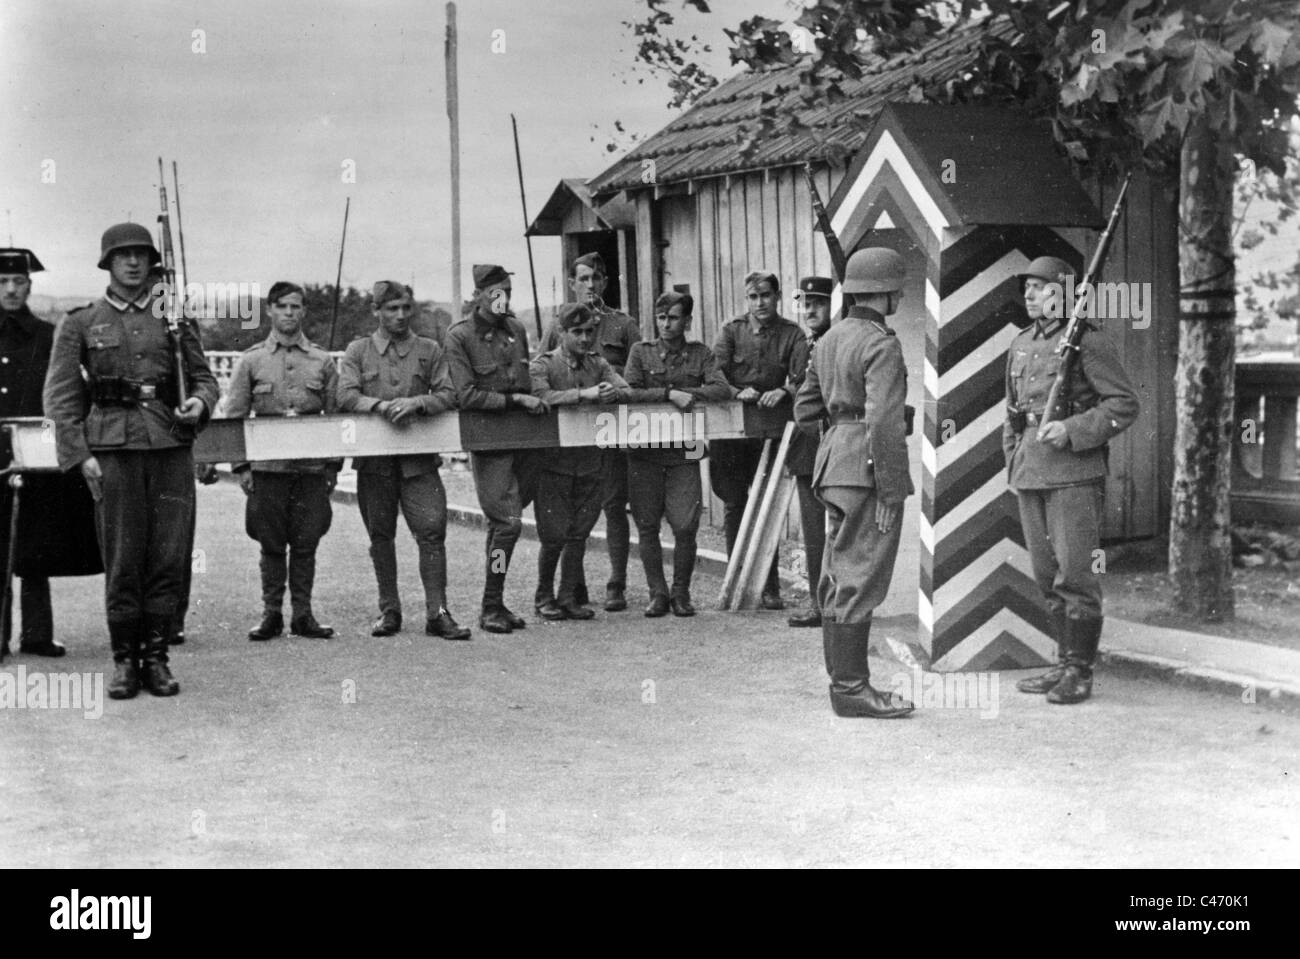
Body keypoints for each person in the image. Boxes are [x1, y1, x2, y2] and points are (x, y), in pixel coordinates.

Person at [43, 222, 219, 699]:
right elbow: (60, 398)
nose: (134, 263)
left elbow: (205, 380)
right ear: (107, 263)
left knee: (167, 556)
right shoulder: (81, 322)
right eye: (123, 256)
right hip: (113, 451)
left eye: (142, 254)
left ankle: (157, 659)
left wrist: (199, 405)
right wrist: (80, 456)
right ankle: (124, 661)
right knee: (122, 559)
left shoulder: (175, 318)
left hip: (169, 448)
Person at [1006, 256, 1139, 704]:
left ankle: (1080, 672)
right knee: (1046, 574)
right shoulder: (1020, 344)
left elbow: (1122, 405)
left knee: (1076, 574)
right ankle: (1062, 662)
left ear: (1062, 293)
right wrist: (1015, 457)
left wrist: (1072, 430)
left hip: (1073, 474)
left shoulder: (1088, 342)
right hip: (1031, 470)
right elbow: (1013, 414)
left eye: (1040, 287)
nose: (1028, 294)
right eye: (1026, 286)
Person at [794, 248, 915, 719]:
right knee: (861, 576)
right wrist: (891, 488)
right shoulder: (881, 343)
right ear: (883, 290)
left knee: (840, 573)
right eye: (898, 287)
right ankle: (850, 689)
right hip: (867, 473)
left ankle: (844, 683)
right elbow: (885, 422)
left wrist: (839, 438)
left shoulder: (827, 340)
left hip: (833, 467)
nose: (901, 293)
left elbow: (805, 410)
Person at [337, 280, 469, 640]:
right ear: (376, 311)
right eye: (391, 309)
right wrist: (378, 406)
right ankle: (389, 610)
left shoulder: (429, 350)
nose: (399, 315)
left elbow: (449, 393)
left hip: (419, 463)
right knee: (381, 536)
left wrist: (417, 403)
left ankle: (438, 614)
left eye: (405, 308)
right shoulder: (358, 351)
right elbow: (345, 395)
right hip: (375, 465)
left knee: (432, 533)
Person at [225, 281, 342, 641]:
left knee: (307, 543)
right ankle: (271, 614)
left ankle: (303, 615)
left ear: (303, 311)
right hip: (268, 472)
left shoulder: (322, 361)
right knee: (271, 544)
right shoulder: (252, 360)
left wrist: (332, 467)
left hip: (309, 470)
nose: (289, 313)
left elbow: (336, 420)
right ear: (270, 311)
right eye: (282, 307)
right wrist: (242, 468)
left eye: (295, 307)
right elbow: (235, 418)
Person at [0, 247, 102, 658]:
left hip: (37, 456)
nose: (10, 289)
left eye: (18, 282)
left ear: (29, 285)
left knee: (35, 544)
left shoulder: (48, 336)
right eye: (3, 282)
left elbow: (67, 390)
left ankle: (38, 634)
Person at [444, 264, 549, 634]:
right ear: (479, 296)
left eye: (508, 290)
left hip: (524, 440)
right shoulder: (459, 337)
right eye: (497, 291)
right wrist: (517, 401)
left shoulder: (516, 329)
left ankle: (496, 602)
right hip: (489, 440)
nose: (505, 297)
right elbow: (466, 394)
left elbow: (523, 379)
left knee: (503, 524)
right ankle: (490, 606)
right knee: (508, 524)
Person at [539, 252, 641, 611]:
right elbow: (544, 376)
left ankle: (616, 584)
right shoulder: (557, 325)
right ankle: (573, 588)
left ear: (606, 283)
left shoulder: (623, 325)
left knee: (613, 505)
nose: (591, 285)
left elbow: (635, 376)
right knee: (570, 513)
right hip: (569, 438)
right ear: (572, 283)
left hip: (610, 430)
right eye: (583, 279)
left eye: (597, 278)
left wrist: (618, 391)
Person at [622, 291, 731, 616]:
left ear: (687, 321)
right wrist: (670, 393)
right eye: (661, 318)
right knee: (646, 525)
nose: (666, 324)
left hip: (687, 450)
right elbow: (628, 392)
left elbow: (720, 388)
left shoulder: (701, 354)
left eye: (673, 318)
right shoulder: (640, 353)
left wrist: (688, 395)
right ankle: (658, 593)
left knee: (685, 526)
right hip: (645, 449)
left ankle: (681, 594)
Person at [710, 269, 808, 610]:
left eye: (765, 295)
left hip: (770, 433)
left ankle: (770, 588)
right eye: (753, 296)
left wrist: (783, 391)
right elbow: (714, 373)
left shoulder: (792, 334)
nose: (760, 302)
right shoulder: (731, 331)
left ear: (777, 296)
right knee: (735, 503)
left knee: (767, 506)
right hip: (734, 434)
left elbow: (804, 376)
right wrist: (738, 391)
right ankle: (735, 580)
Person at [529, 302, 629, 620]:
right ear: (561, 332)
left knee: (580, 532)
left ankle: (568, 596)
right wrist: (581, 396)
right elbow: (540, 396)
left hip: (590, 462)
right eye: (578, 332)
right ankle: (544, 596)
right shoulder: (543, 365)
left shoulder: (597, 365)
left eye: (589, 332)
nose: (585, 339)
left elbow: (626, 388)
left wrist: (615, 394)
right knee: (554, 533)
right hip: (554, 464)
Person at [786, 276, 834, 629]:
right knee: (814, 532)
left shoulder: (836, 342)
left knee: (838, 531)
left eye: (818, 302)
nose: (810, 309)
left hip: (833, 443)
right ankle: (819, 604)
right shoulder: (804, 345)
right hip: (807, 448)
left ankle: (835, 605)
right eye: (805, 303)